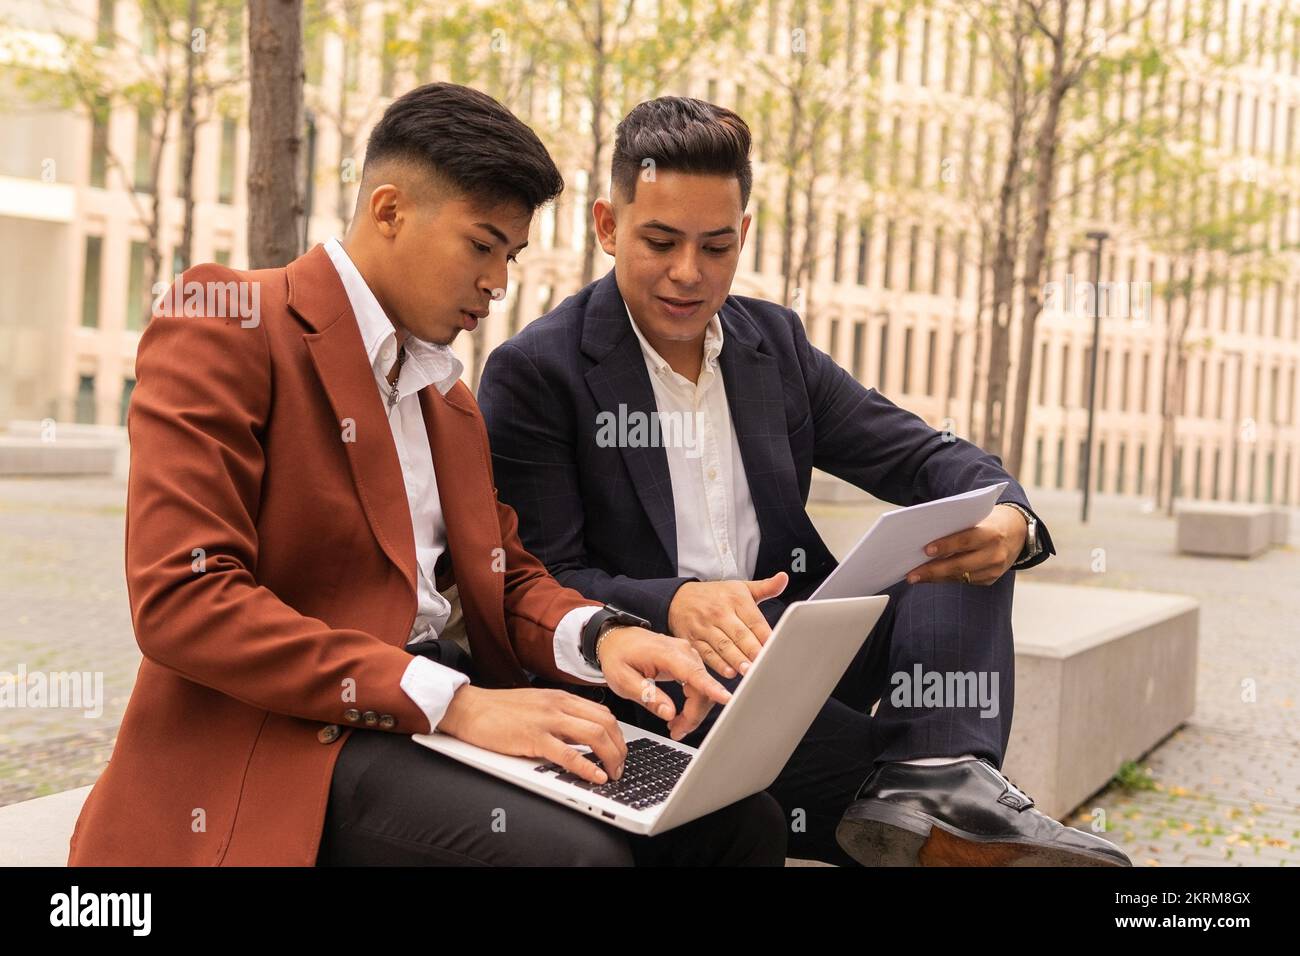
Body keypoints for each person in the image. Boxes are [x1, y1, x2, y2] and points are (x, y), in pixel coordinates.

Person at [67, 84, 785, 867]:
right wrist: (454, 705)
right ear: (388, 211)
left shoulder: (447, 398)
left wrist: (605, 636)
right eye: (482, 246)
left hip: (438, 719)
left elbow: (504, 580)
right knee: (580, 860)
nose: (499, 283)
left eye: (509, 256)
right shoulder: (231, 324)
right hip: (290, 744)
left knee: (735, 820)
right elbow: (185, 600)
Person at [477, 96, 1130, 867]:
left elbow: (931, 459)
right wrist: (674, 602)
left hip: (798, 650)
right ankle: (938, 814)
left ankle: (941, 777)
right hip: (663, 683)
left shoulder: (774, 345)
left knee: (964, 537)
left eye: (716, 247)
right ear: (607, 226)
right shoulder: (537, 372)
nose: (689, 274)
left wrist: (1015, 526)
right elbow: (544, 581)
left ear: (744, 235)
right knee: (921, 834)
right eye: (660, 241)